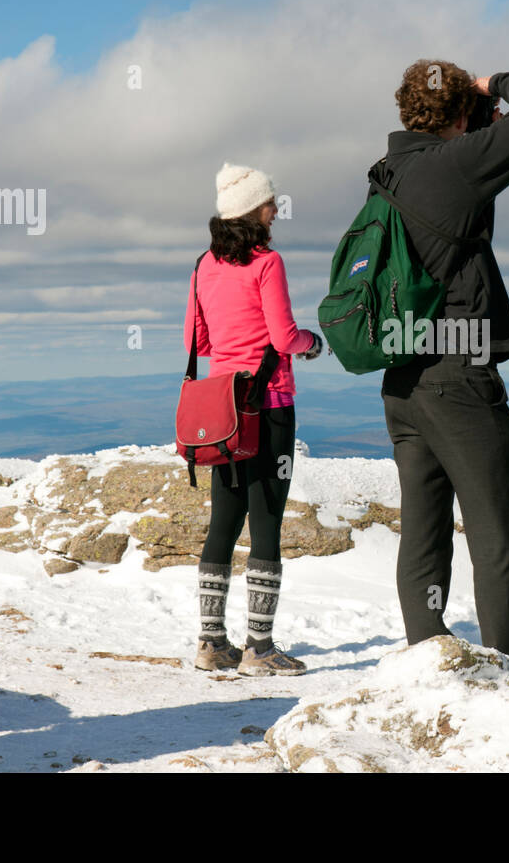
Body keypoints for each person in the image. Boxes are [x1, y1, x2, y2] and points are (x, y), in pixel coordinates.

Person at [376, 61, 509, 662]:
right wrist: (497, 82)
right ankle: (508, 664)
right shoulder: (454, 166)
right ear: (460, 112)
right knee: (491, 530)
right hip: (459, 377)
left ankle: (428, 657)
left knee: (425, 529)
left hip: (404, 378)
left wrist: (473, 110)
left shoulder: (390, 171)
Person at [185, 162, 323, 676]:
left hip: (222, 410)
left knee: (223, 520)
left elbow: (196, 343)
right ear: (251, 211)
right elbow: (285, 338)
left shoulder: (203, 264)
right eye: (271, 202)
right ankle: (259, 651)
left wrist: (230, 346)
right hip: (270, 406)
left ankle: (210, 644)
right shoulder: (269, 263)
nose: (276, 209)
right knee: (266, 524)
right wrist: (315, 343)